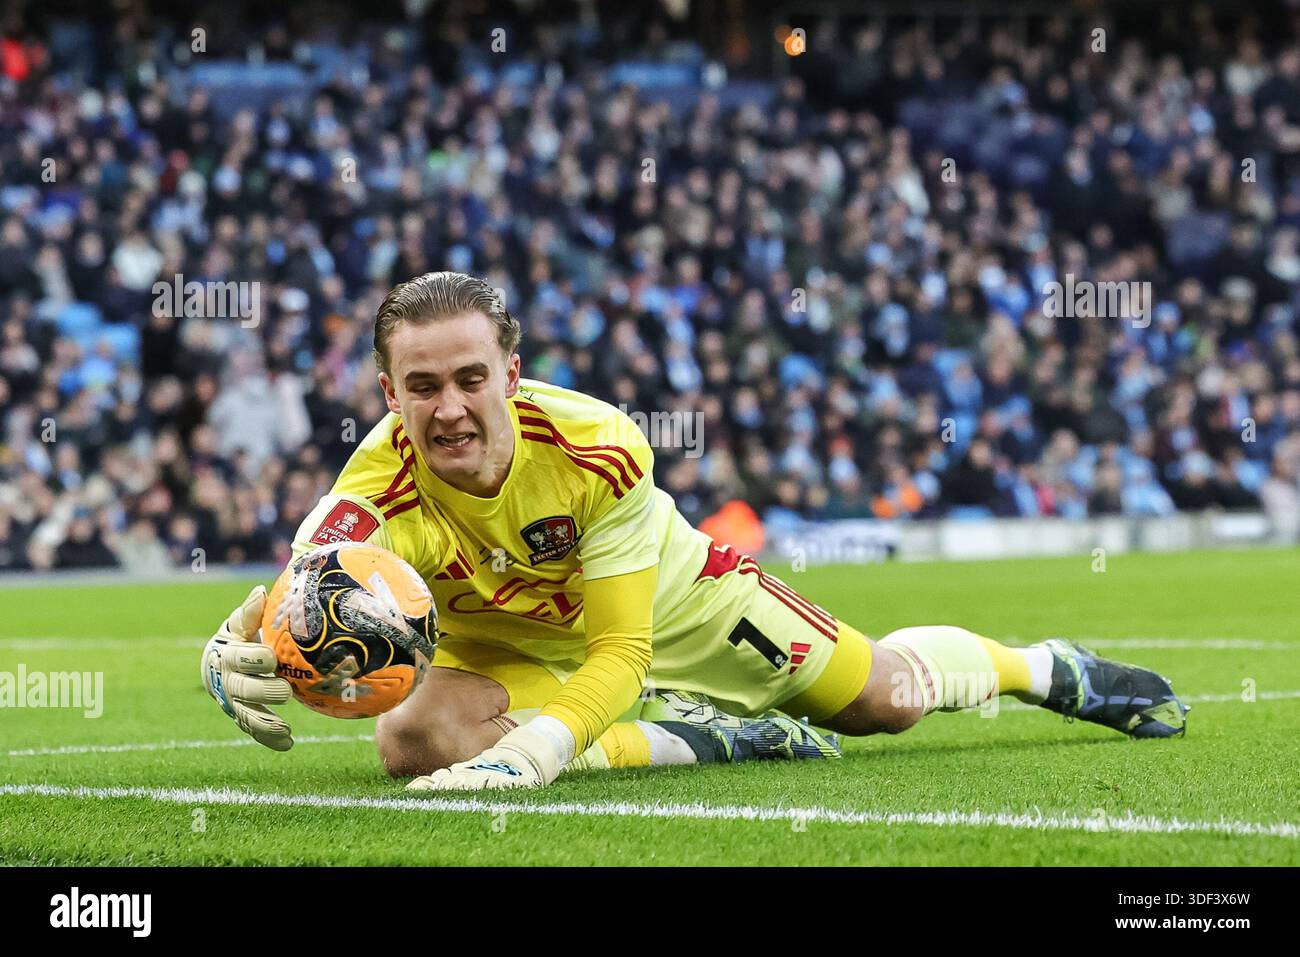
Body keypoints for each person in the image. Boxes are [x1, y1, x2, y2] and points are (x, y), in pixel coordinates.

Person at [202, 272, 1189, 792]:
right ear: (388, 394)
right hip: (503, 642)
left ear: (511, 374)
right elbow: (308, 590)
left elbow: (622, 649)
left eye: (470, 378)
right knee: (412, 741)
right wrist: (231, 648)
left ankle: (1044, 668)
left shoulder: (599, 447)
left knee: (882, 702)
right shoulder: (372, 488)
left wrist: (533, 757)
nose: (449, 407)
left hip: (677, 603)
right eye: (421, 387)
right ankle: (706, 741)